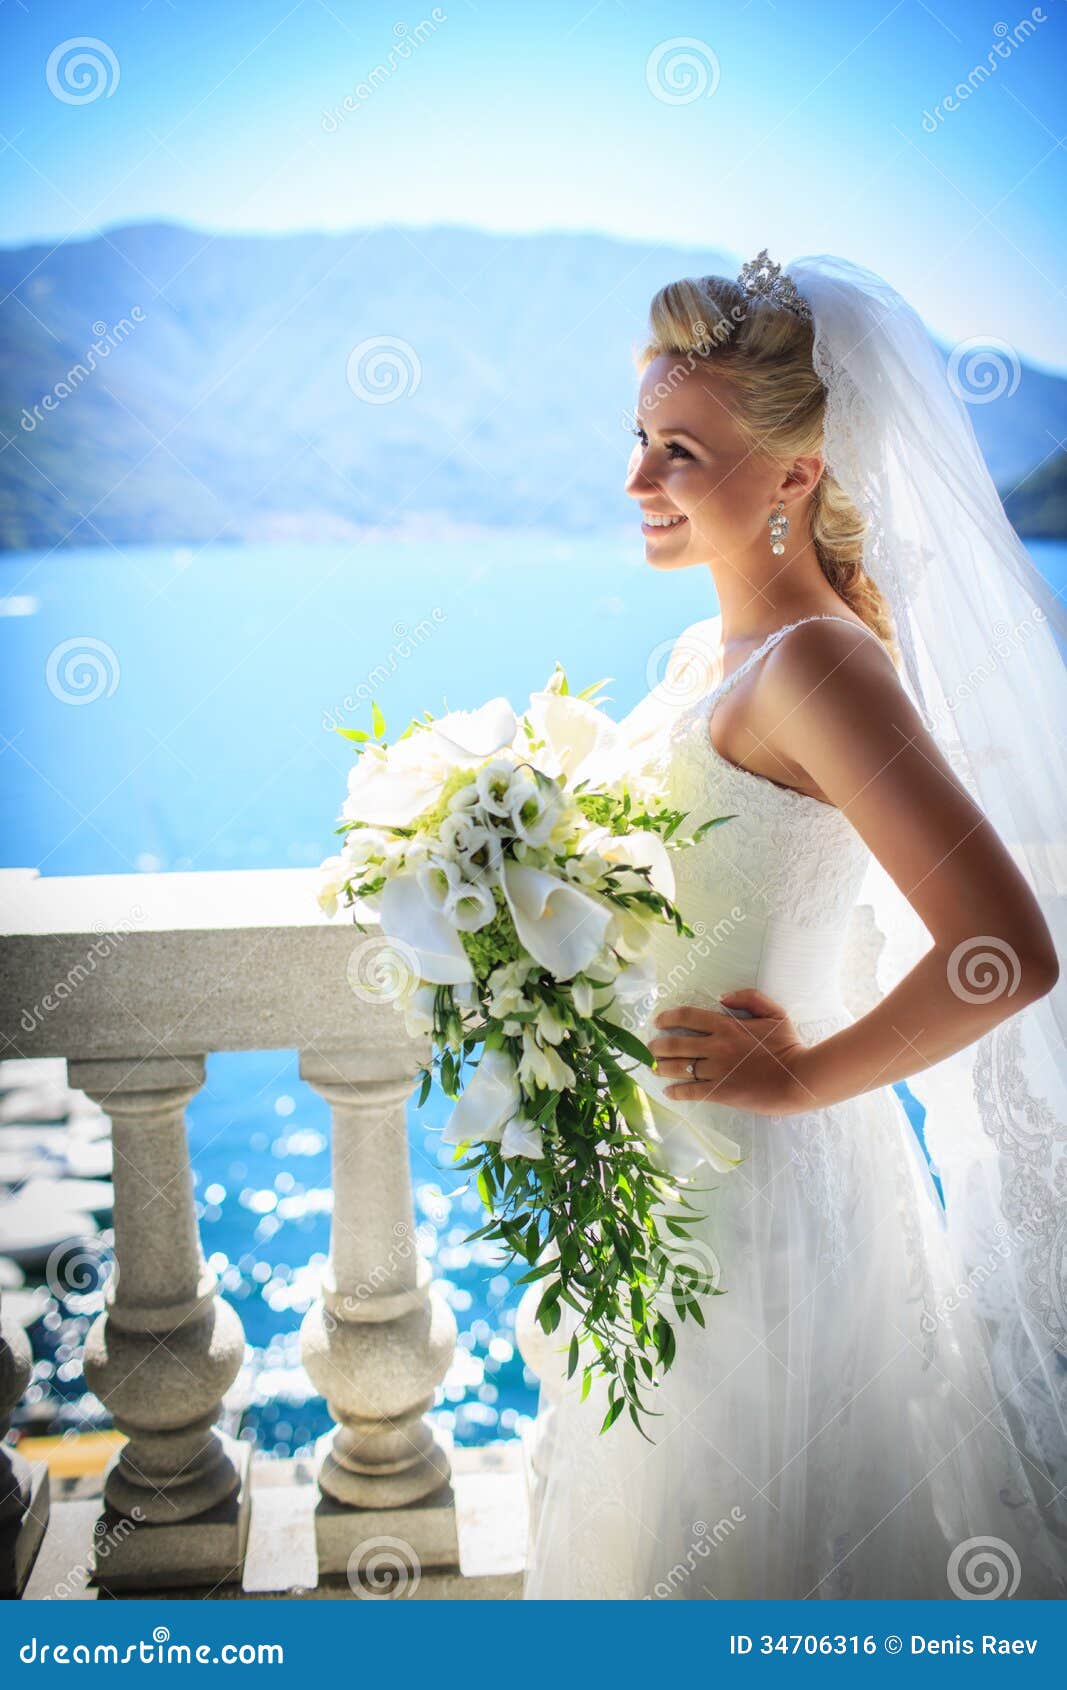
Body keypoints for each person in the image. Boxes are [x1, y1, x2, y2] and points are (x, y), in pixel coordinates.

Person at [521, 251, 1067, 1600]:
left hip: (770, 1202)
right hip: (674, 1198)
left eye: (681, 452)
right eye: (641, 442)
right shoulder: (717, 659)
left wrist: (806, 1070)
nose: (639, 482)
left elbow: (1005, 944)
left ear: (796, 473)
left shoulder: (817, 664)